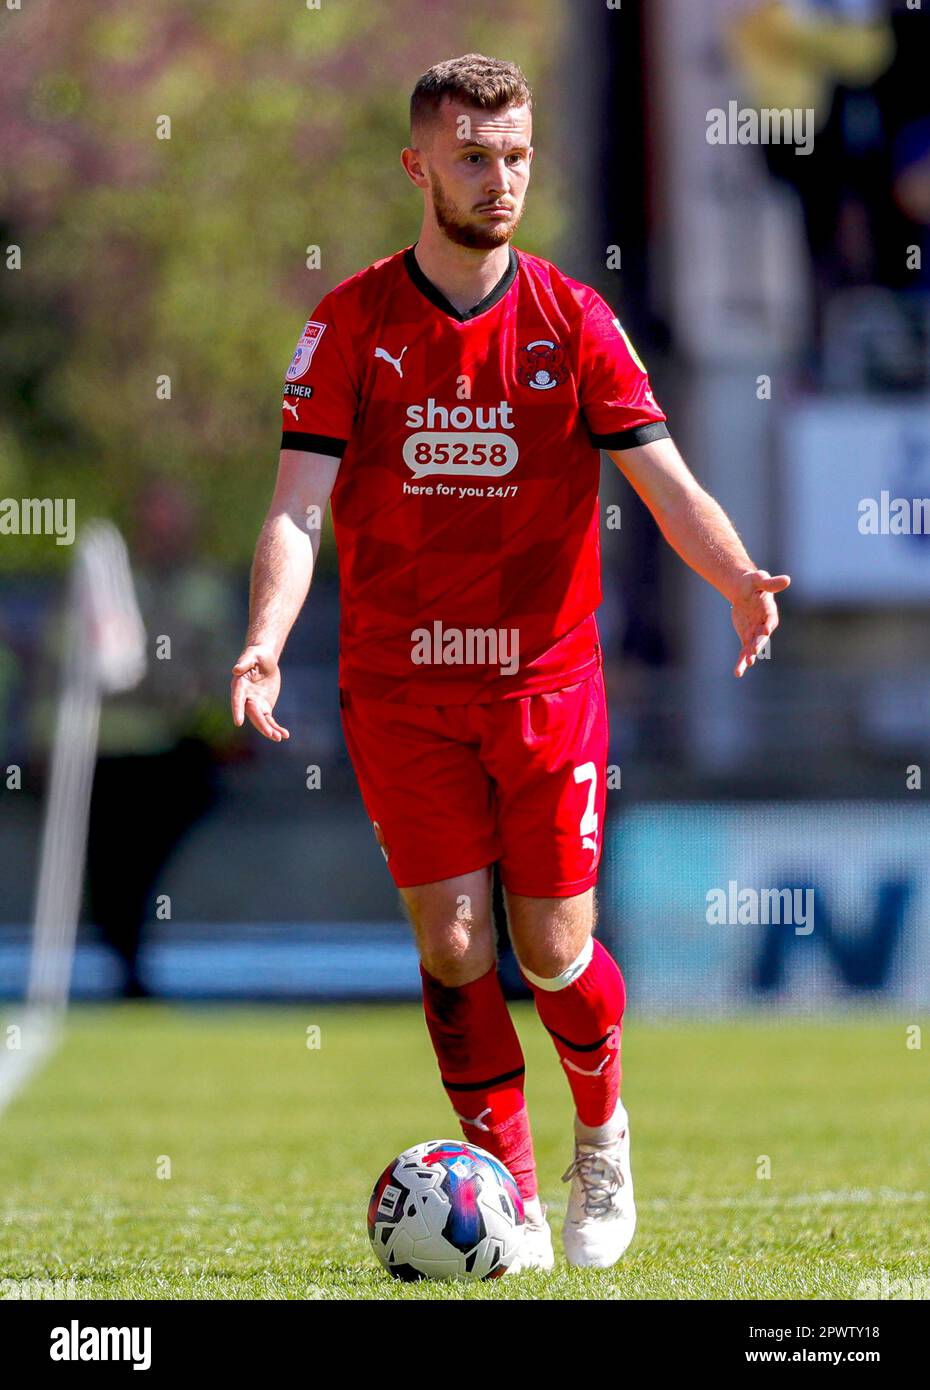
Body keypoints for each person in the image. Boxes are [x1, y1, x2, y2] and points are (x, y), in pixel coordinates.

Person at [230, 54, 789, 1271]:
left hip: (544, 684)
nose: (500, 179)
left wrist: (739, 574)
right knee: (455, 947)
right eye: (474, 156)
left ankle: (602, 1134)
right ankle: (517, 1200)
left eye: (518, 155)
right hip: (400, 685)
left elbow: (665, 475)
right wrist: (265, 643)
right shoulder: (351, 325)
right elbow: (295, 510)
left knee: (551, 950)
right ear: (417, 165)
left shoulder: (572, 320)